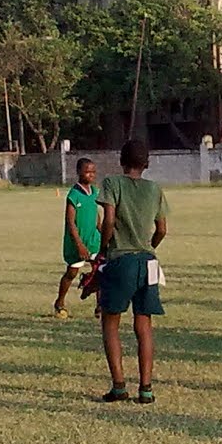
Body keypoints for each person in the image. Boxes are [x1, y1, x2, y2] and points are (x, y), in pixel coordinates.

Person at [96, 139, 168, 403]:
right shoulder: (154, 189)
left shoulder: (112, 184)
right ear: (147, 163)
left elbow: (109, 221)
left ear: (121, 161)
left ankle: (119, 386)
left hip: (121, 259)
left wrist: (103, 249)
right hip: (148, 261)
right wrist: (148, 247)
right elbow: (162, 229)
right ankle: (146, 389)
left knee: (110, 322)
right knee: (144, 324)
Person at [55, 158, 101, 319]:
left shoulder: (94, 192)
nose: (91, 175)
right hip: (78, 243)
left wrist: (102, 232)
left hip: (94, 240)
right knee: (71, 273)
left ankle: (100, 306)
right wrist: (79, 245)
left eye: (93, 172)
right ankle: (60, 302)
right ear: (79, 172)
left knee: (100, 271)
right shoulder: (74, 195)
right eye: (87, 172)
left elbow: (96, 215)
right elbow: (70, 222)